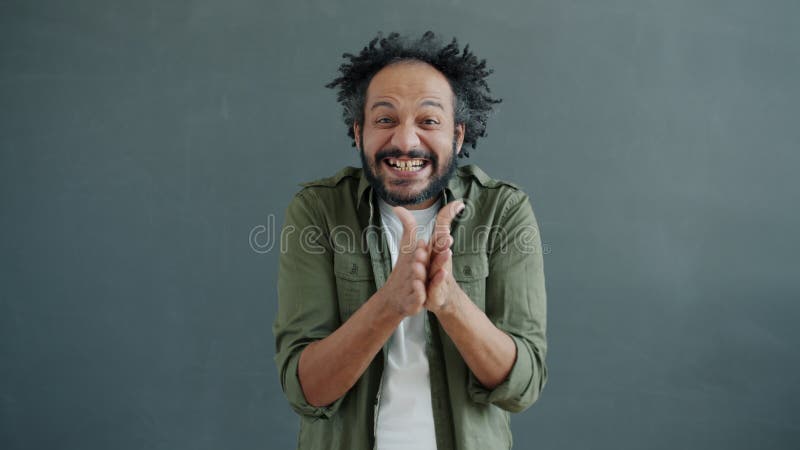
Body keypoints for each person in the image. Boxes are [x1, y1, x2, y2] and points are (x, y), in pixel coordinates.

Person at [274, 31, 547, 450]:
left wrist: (449, 301)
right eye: (385, 120)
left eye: (428, 121)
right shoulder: (318, 210)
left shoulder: (503, 211)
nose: (405, 141)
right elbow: (305, 390)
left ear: (457, 136)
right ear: (359, 131)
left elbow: (522, 386)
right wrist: (389, 303)